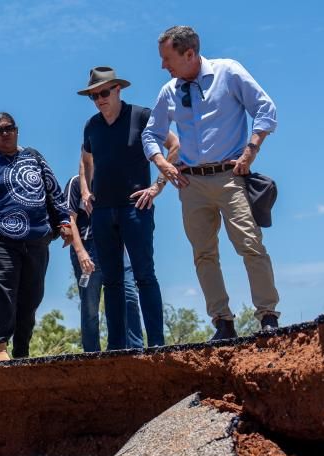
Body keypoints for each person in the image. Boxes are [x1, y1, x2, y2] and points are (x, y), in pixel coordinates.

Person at [143, 26, 280, 340]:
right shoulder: (169, 91)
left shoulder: (228, 72)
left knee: (250, 246)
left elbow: (265, 108)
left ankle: (268, 316)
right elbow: (151, 134)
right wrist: (162, 162)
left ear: (189, 54)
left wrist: (251, 150)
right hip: (190, 184)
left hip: (230, 177)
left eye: (168, 58)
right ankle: (222, 322)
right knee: (203, 254)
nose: (164, 66)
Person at [78, 67, 179, 349]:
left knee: (144, 275)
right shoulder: (91, 126)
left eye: (104, 92)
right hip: (102, 211)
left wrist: (158, 186)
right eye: (94, 95)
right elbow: (86, 158)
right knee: (111, 282)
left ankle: (157, 344)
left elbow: (174, 146)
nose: (99, 99)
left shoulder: (142, 116)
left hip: (136, 208)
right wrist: (86, 190)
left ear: (118, 89)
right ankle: (117, 348)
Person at [0, 113, 73, 361]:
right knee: (3, 292)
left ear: (17, 130)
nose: (5, 133)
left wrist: (64, 220)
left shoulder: (33, 156)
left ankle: (22, 351)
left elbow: (54, 191)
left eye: (9, 128)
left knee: (32, 295)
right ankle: (0, 347)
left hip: (37, 237)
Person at [65, 175, 143, 351]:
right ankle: (92, 354)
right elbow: (69, 219)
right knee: (91, 306)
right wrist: (81, 252)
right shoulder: (76, 182)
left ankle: (133, 350)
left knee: (129, 297)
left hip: (117, 248)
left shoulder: (113, 178)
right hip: (89, 249)